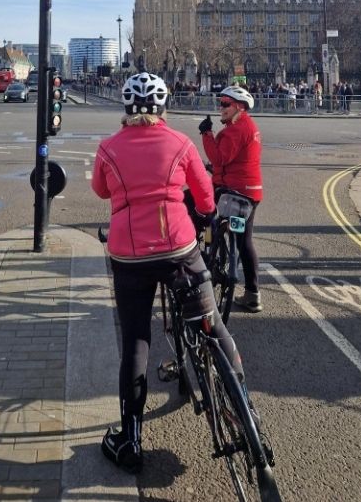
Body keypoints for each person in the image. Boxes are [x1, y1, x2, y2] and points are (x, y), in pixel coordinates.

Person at [92, 72, 244, 475]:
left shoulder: (108, 147)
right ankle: (244, 408)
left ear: (126, 109)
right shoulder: (181, 143)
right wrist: (205, 215)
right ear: (162, 108)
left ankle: (130, 440)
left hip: (130, 256)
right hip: (179, 249)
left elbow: (100, 191)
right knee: (211, 323)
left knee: (137, 341)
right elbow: (206, 196)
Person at [198, 85, 263, 313]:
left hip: (233, 192)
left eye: (226, 103)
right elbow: (232, 160)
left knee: (203, 216)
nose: (221, 107)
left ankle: (206, 256)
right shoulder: (245, 125)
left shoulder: (237, 129)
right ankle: (253, 294)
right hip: (249, 192)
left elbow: (220, 157)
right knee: (245, 241)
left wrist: (206, 134)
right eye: (221, 102)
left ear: (238, 107)